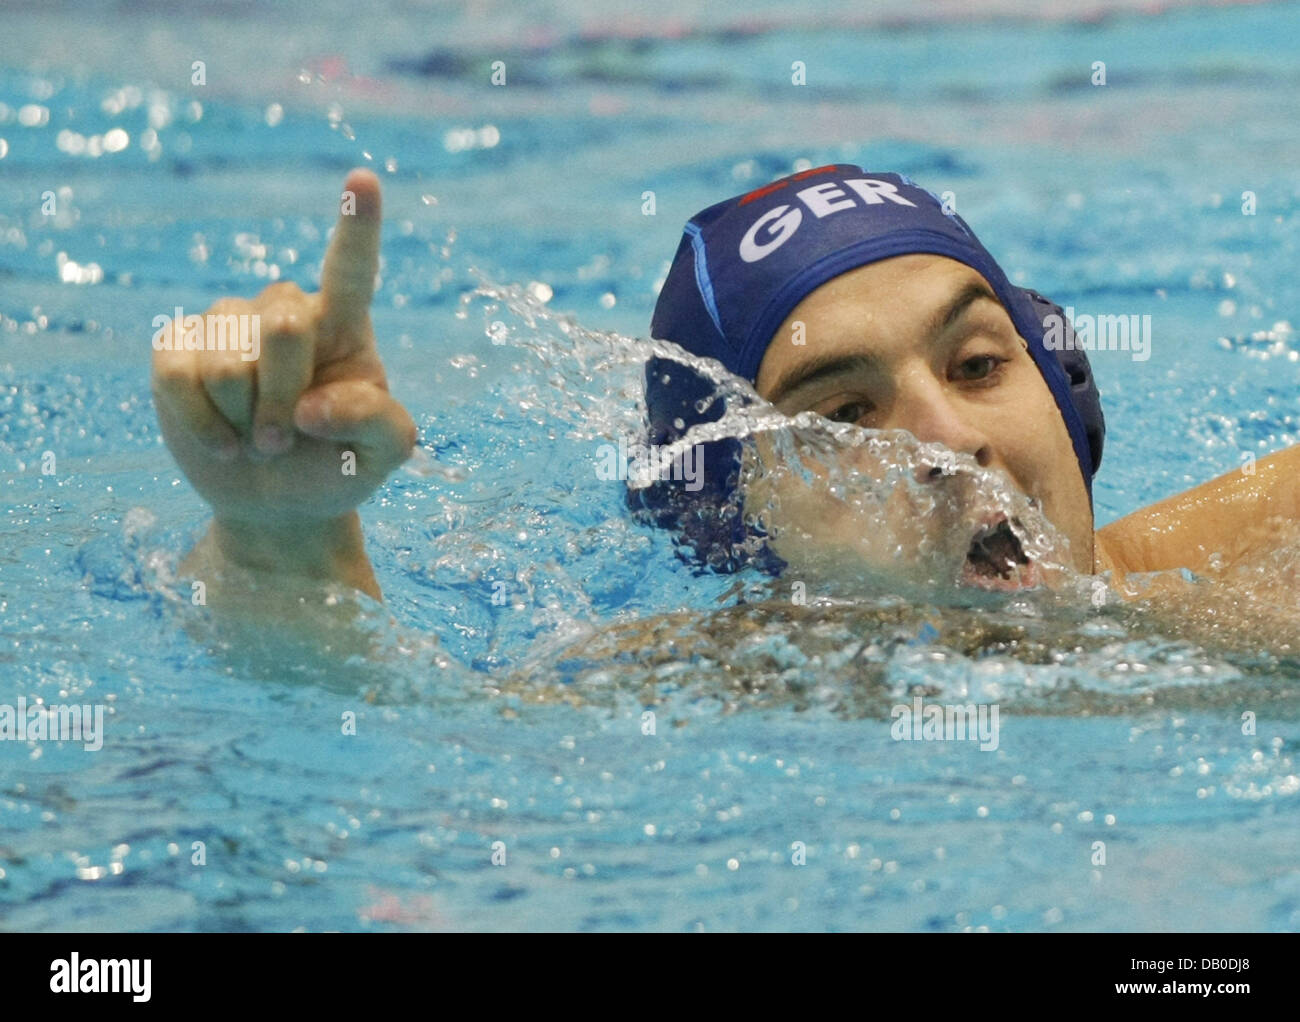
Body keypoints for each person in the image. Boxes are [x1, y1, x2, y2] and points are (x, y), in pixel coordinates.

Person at [151, 165, 1300, 636]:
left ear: (1068, 398)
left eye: (978, 365)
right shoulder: (722, 693)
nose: (950, 442)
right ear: (739, 522)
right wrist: (279, 533)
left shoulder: (1253, 571)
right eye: (842, 416)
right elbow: (372, 736)